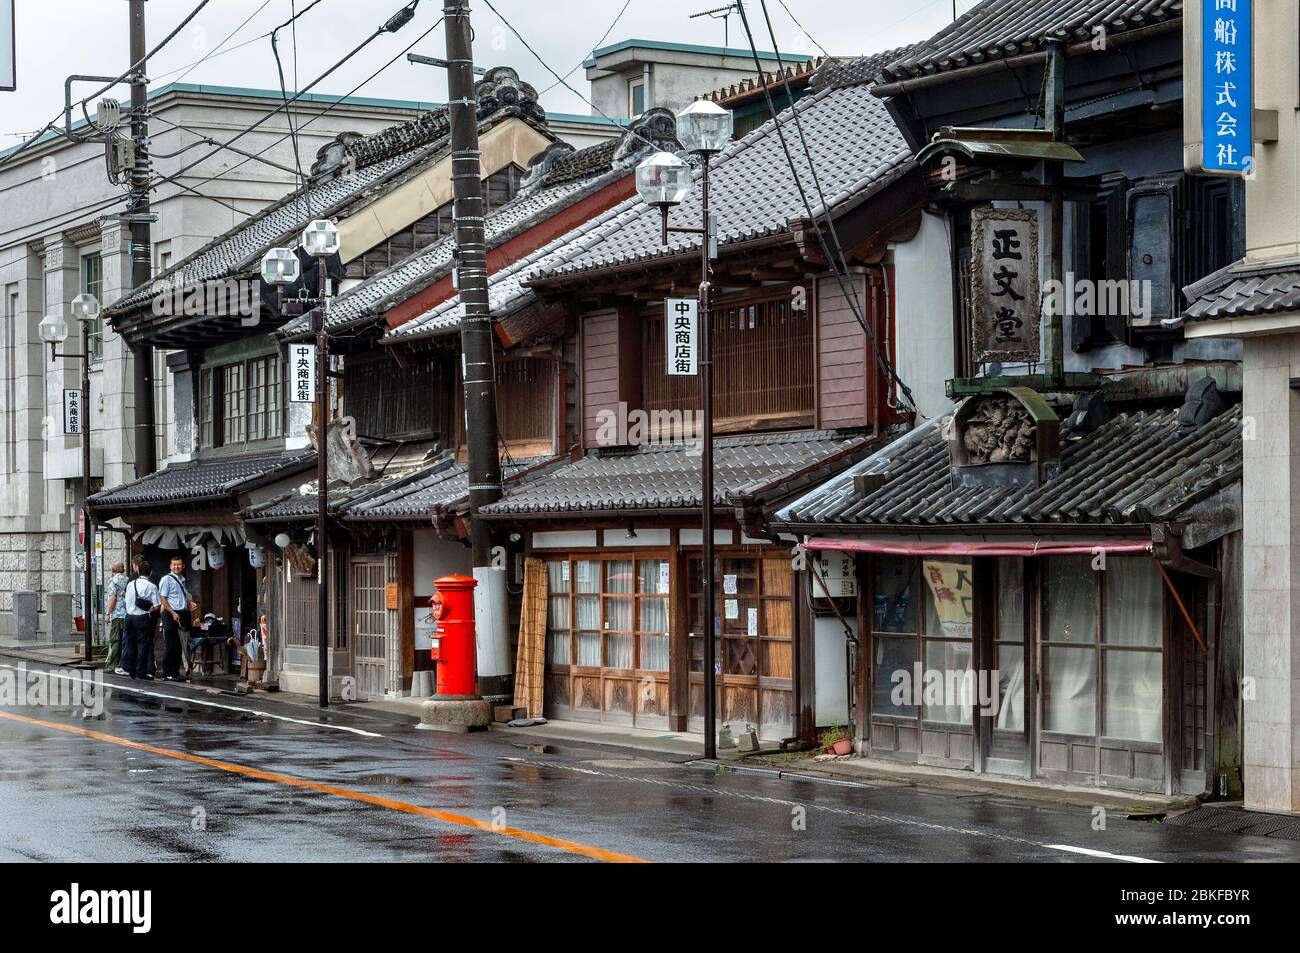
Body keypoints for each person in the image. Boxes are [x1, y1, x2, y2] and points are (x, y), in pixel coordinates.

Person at [122, 559, 161, 680]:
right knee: (143, 645)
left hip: (129, 617)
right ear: (150, 573)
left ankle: (129, 669)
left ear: (138, 570)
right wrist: (150, 609)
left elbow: (126, 600)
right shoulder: (151, 586)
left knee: (130, 643)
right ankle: (141, 671)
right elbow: (157, 605)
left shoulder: (130, 584)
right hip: (142, 618)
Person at [159, 556, 196, 682]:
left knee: (179, 645)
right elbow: (162, 599)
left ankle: (175, 672)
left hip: (181, 614)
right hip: (170, 615)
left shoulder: (182, 580)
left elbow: (183, 597)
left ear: (183, 566)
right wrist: (172, 612)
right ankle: (167, 673)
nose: (176, 567)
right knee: (170, 644)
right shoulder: (166, 579)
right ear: (170, 566)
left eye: (179, 565)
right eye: (174, 565)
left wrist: (190, 603)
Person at [105, 560, 128, 674]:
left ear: (112, 570)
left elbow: (112, 598)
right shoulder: (128, 580)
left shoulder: (113, 581)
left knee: (115, 640)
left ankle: (113, 665)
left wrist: (108, 613)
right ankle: (123, 664)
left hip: (117, 615)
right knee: (125, 640)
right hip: (127, 614)